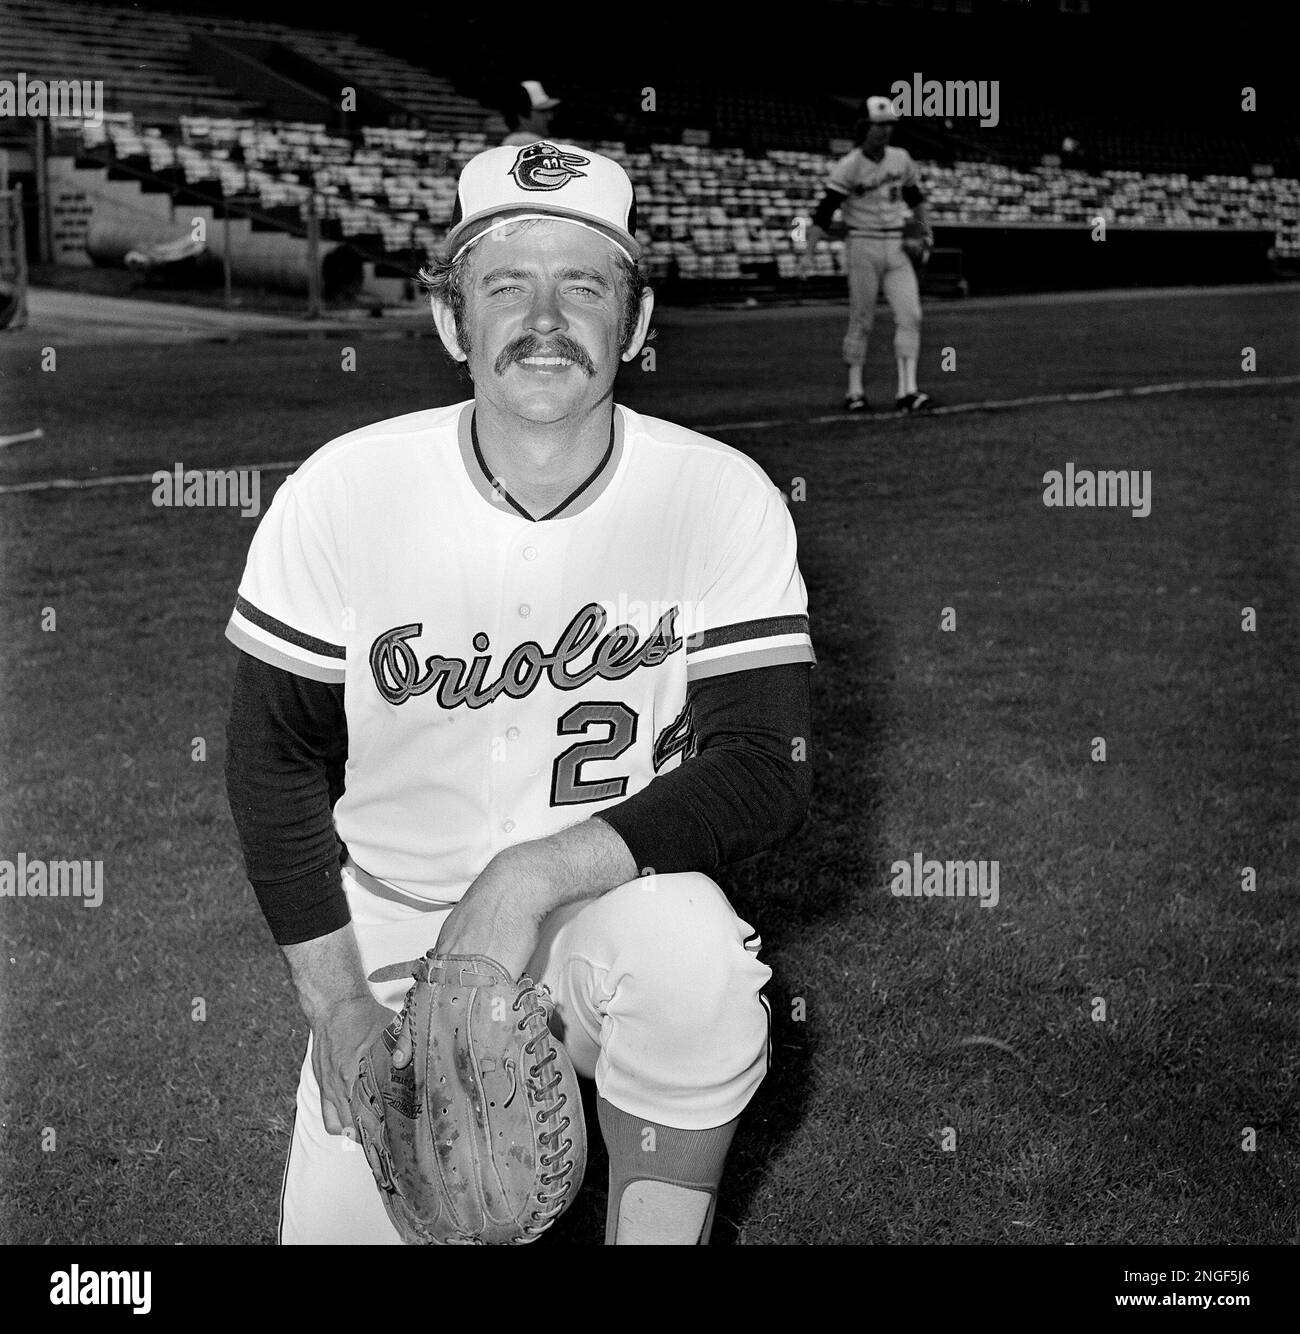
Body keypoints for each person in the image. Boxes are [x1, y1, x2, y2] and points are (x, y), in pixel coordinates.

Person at [223, 141, 816, 1245]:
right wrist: (339, 1005)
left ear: (635, 327)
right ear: (454, 323)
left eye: (583, 284)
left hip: (603, 913)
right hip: (393, 924)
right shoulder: (344, 491)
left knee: (695, 960)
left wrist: (529, 873)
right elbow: (275, 762)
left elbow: (762, 767)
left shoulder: (716, 495)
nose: (545, 318)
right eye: (507, 284)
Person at [799, 95, 934, 414]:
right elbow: (823, 213)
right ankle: (854, 391)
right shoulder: (849, 165)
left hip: (896, 244)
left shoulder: (901, 158)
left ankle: (908, 391)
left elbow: (916, 200)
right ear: (864, 127)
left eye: (888, 125)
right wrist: (808, 253)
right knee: (861, 319)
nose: (885, 131)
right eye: (879, 125)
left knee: (911, 314)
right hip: (862, 243)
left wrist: (923, 232)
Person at [501, 79, 561, 146]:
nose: (549, 117)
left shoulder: (539, 140)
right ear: (522, 116)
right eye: (543, 112)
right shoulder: (524, 141)